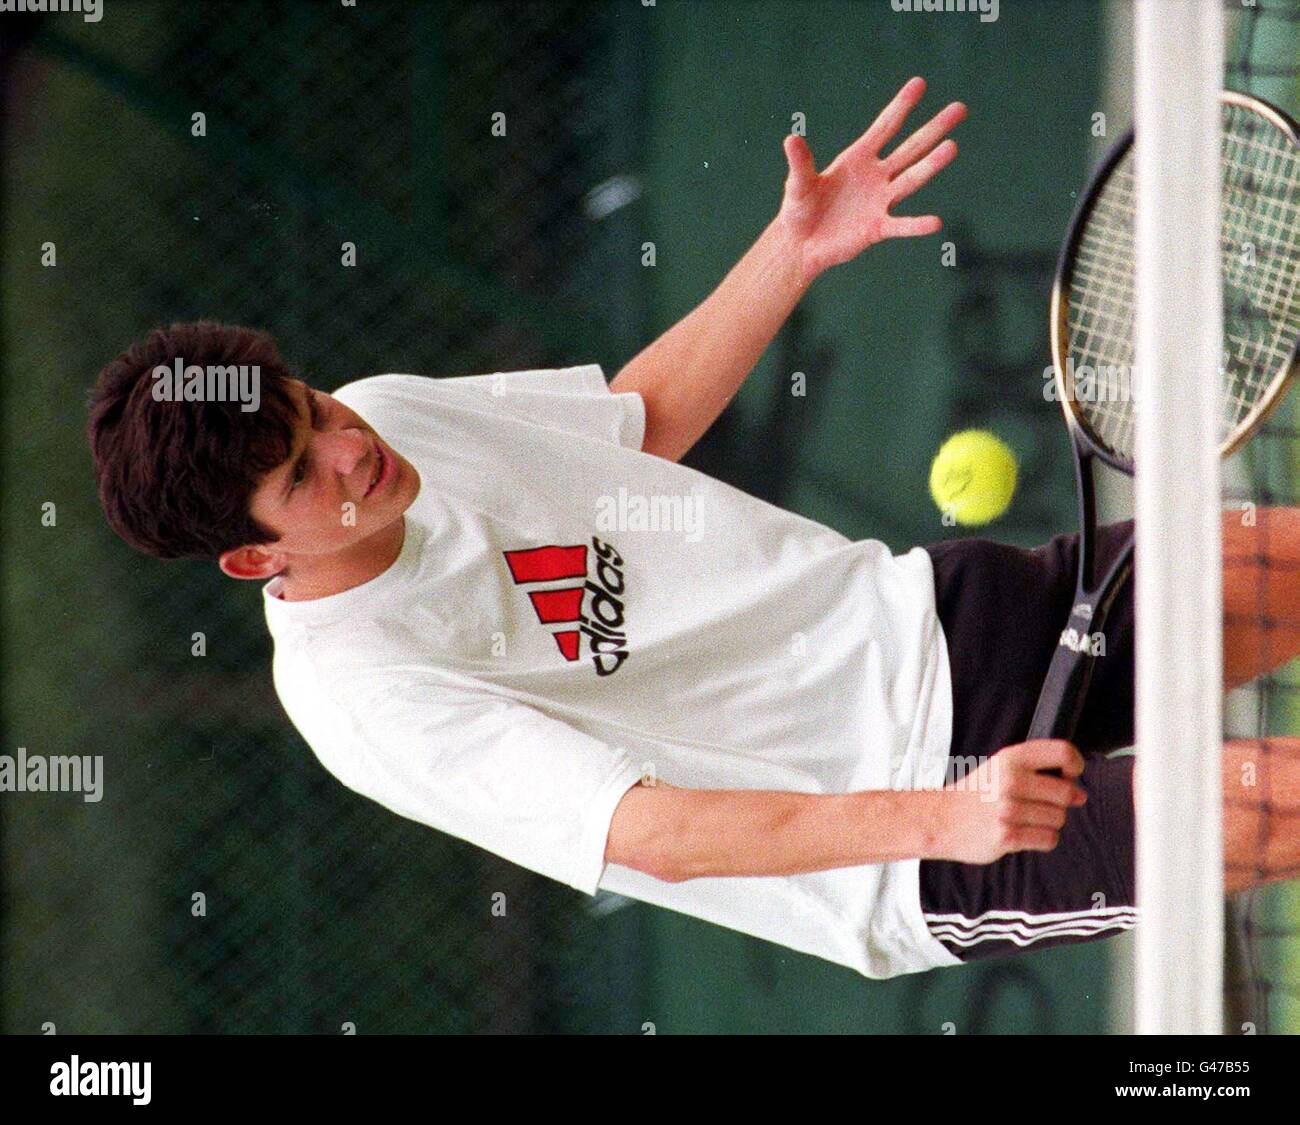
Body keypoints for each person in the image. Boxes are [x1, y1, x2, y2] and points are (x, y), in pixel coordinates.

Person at [87, 78, 1300, 979]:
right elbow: (655, 835)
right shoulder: (366, 701)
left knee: (1283, 566)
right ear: (256, 557)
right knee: (1272, 801)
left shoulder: (393, 417)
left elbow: (634, 425)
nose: (348, 444)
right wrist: (945, 814)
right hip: (904, 839)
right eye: (305, 472)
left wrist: (791, 251)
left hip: (927, 619)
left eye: (311, 407)